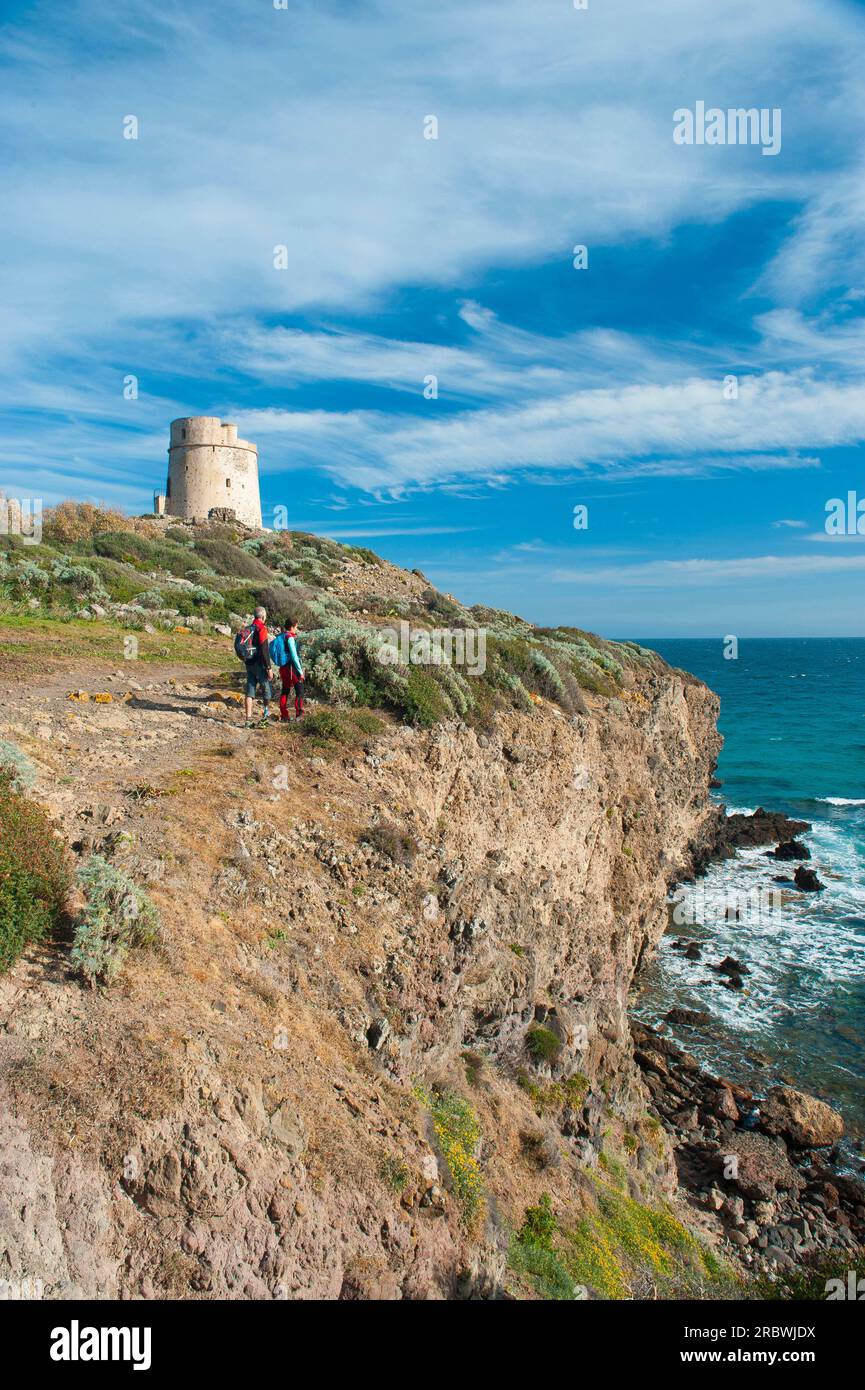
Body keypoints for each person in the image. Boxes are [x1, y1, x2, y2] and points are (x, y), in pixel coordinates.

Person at [243, 606, 274, 728]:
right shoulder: (262, 629)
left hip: (249, 663)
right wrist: (269, 668)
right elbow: (264, 650)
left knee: (250, 691)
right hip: (259, 665)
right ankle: (264, 718)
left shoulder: (247, 629)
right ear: (263, 617)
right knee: (266, 690)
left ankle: (248, 720)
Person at [269, 617, 305, 721]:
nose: (296, 629)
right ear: (292, 626)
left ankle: (284, 715)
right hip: (291, 668)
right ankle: (299, 715)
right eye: (296, 627)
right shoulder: (290, 637)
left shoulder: (281, 636)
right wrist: (300, 671)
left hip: (283, 668)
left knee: (285, 690)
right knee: (300, 690)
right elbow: (294, 656)